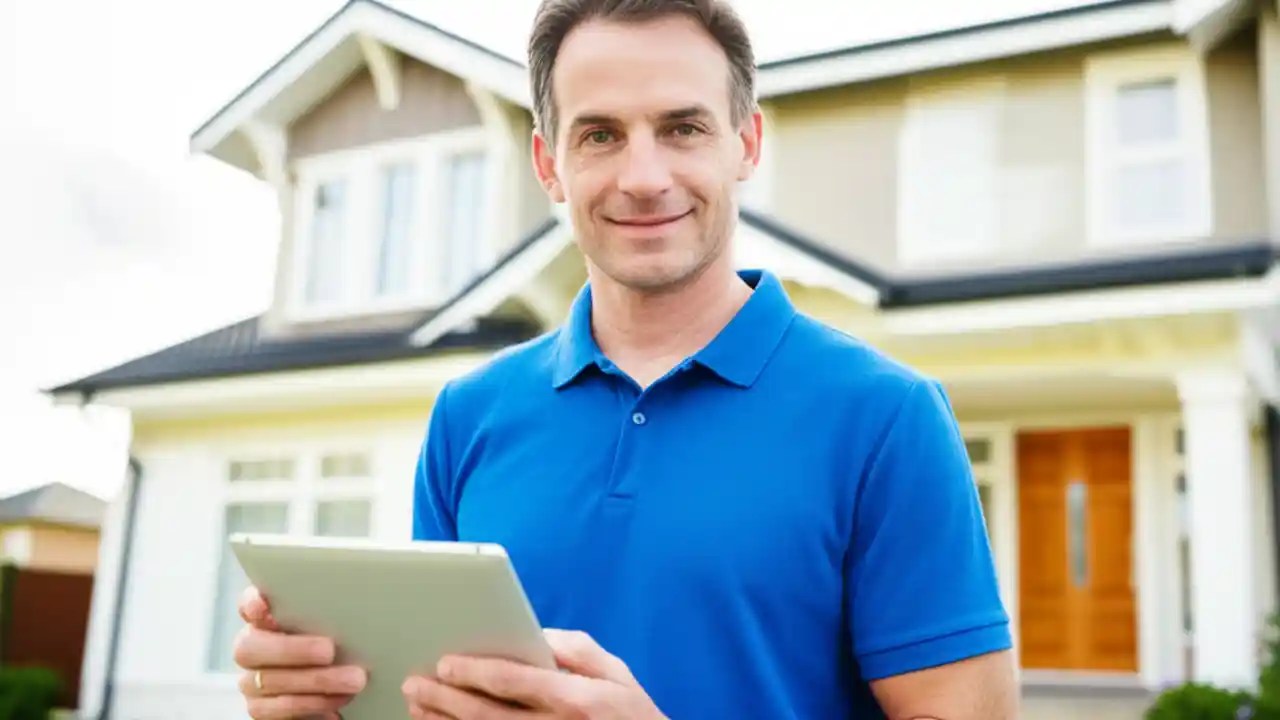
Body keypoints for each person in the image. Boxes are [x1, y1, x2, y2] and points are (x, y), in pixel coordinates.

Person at [231, 0, 1020, 718]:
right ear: (549, 164)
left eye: (683, 128)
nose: (643, 179)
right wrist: (328, 708)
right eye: (600, 135)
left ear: (745, 143)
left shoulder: (886, 418)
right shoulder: (467, 418)